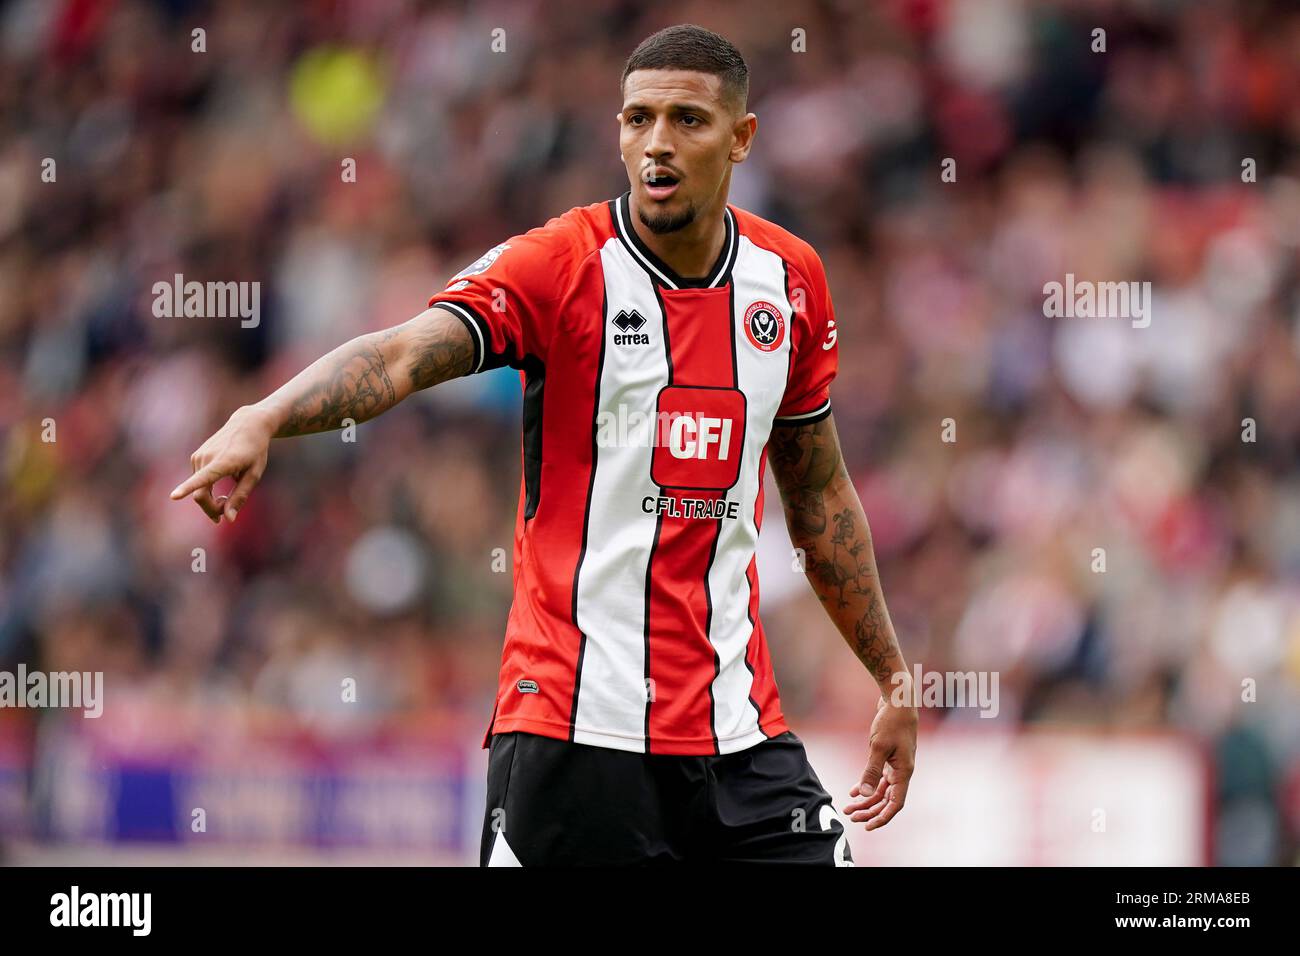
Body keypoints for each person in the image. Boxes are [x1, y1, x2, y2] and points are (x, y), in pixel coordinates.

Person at [170, 23, 917, 866]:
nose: (657, 144)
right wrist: (265, 415)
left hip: (737, 734)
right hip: (574, 729)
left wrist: (892, 676)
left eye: (688, 120)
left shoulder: (788, 281)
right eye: (638, 120)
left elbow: (817, 497)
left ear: (742, 138)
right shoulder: (561, 266)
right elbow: (407, 352)